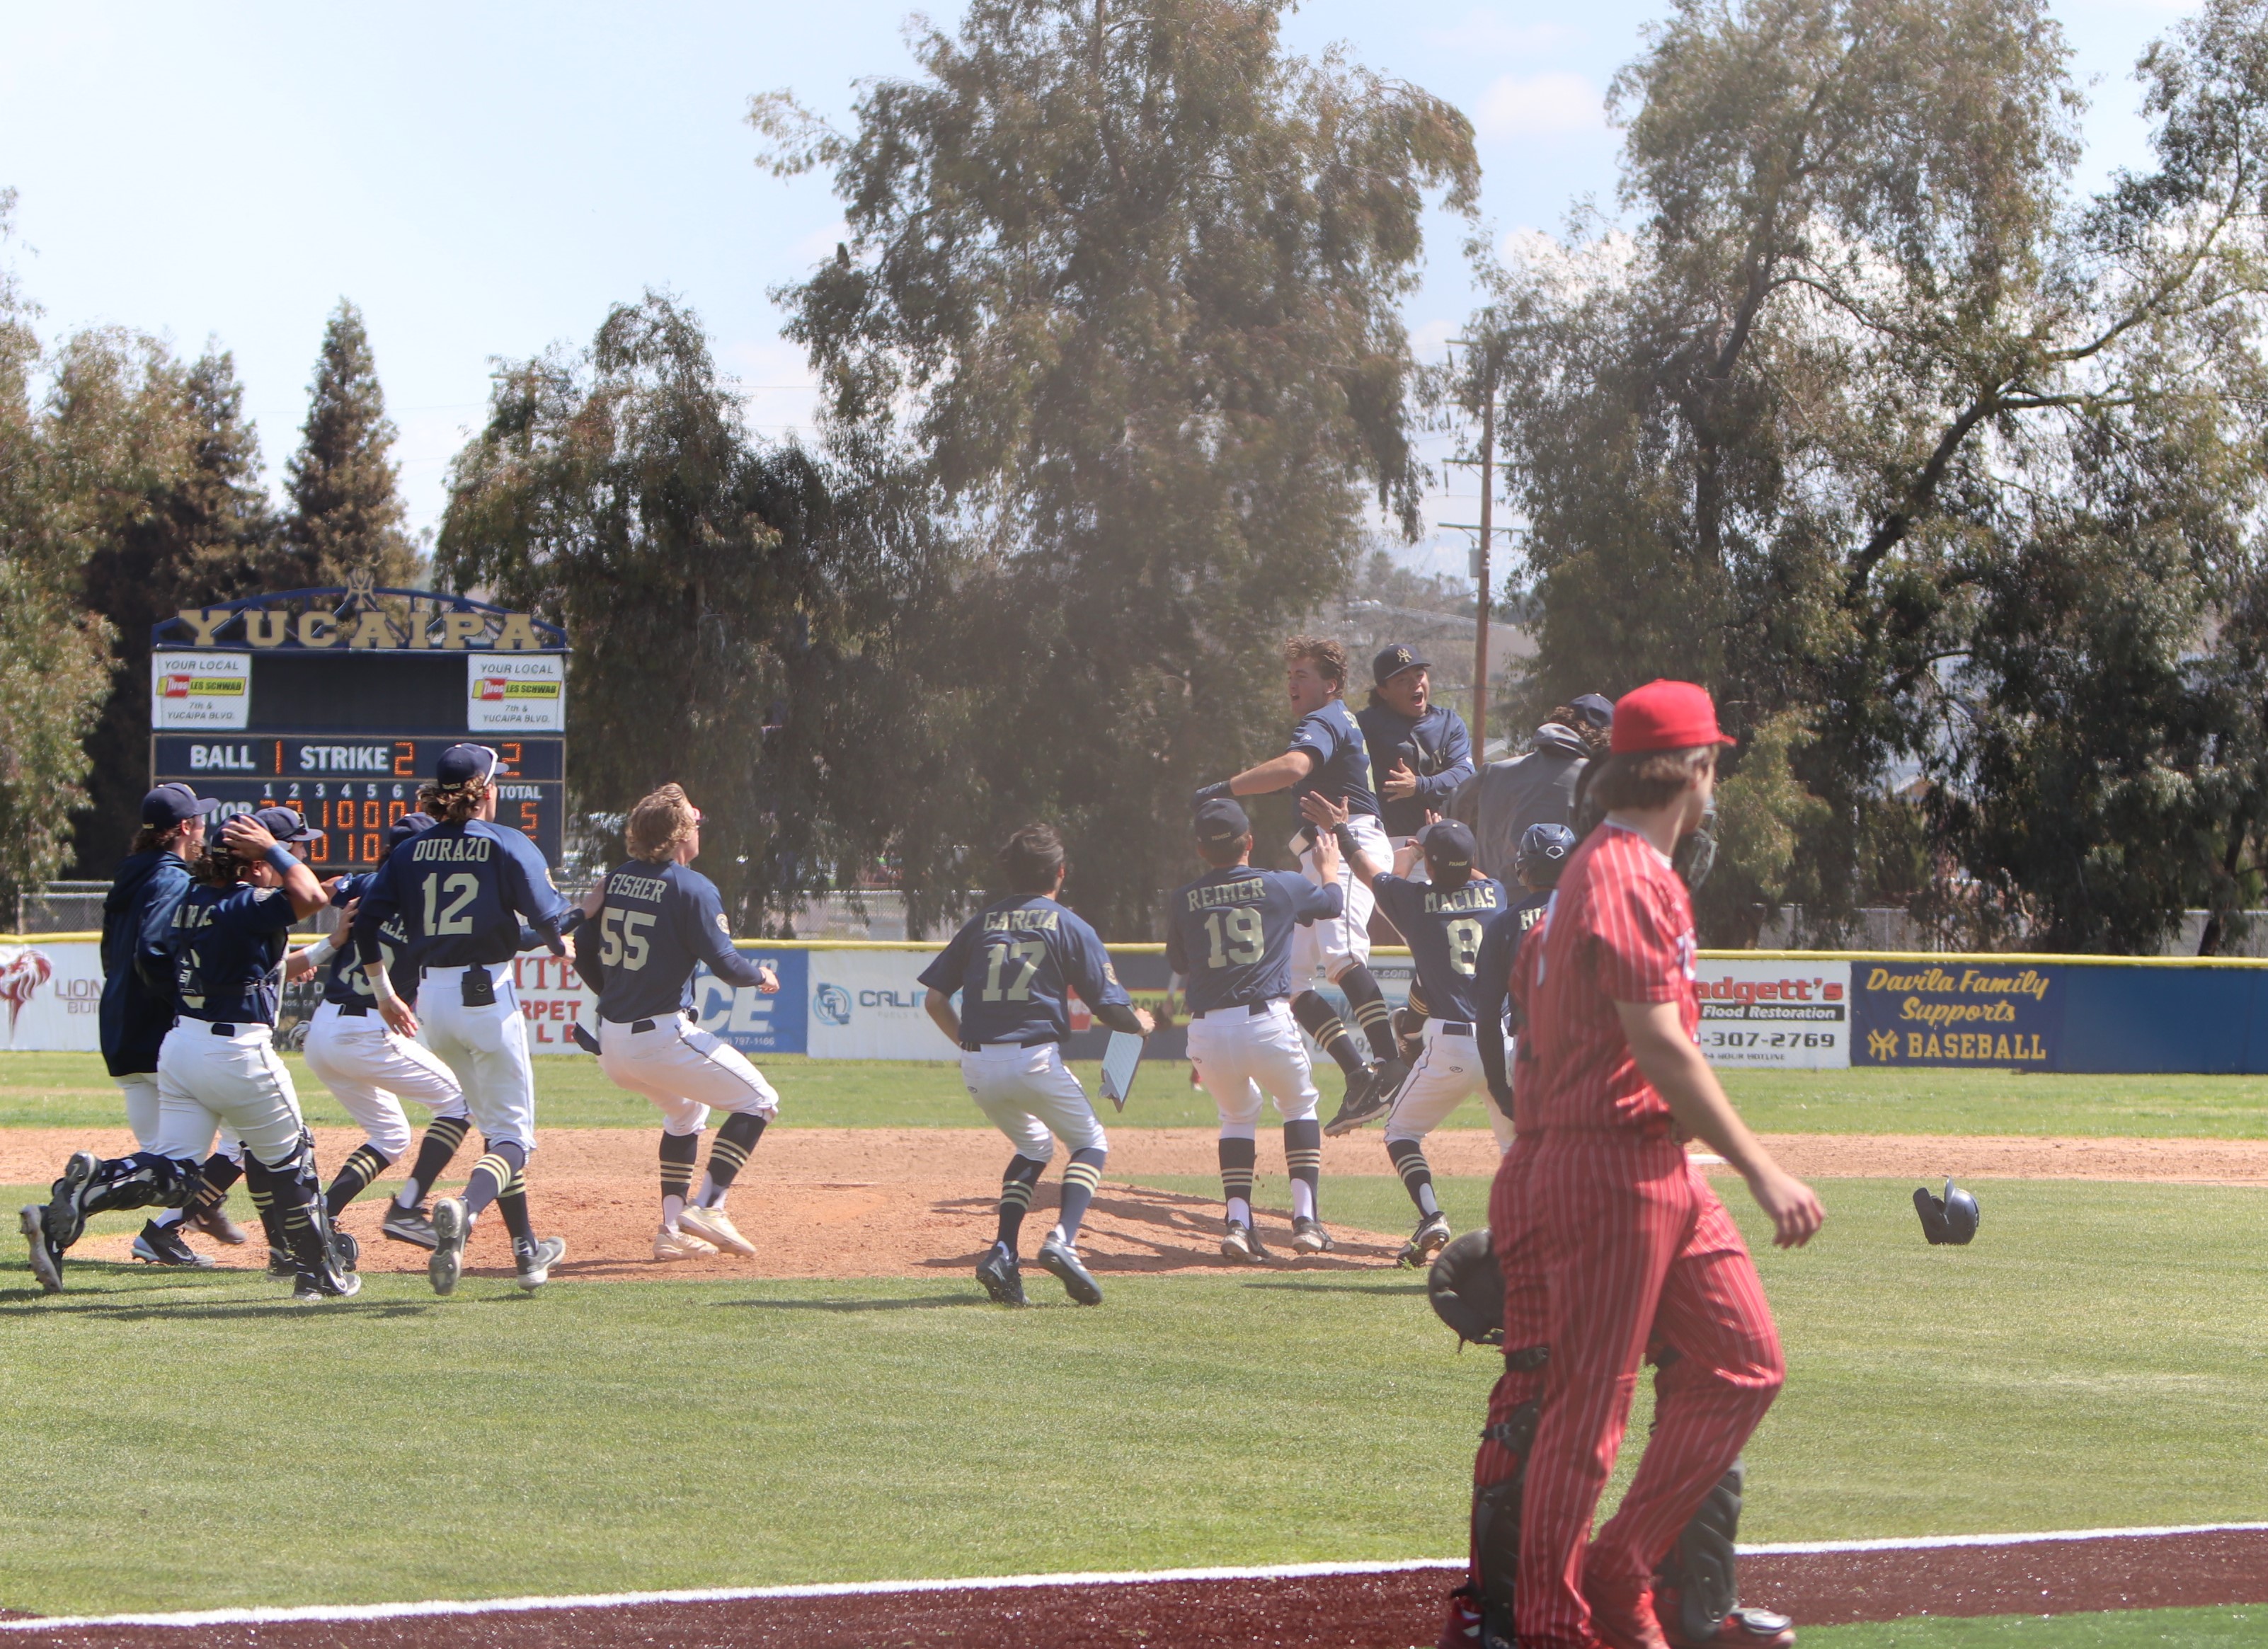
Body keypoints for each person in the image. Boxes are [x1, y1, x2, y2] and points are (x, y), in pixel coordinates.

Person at [1504, 680, 1821, 1649]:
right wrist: (1764, 1168)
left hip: (1643, 1158)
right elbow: (1660, 1043)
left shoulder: (1602, 868)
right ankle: (1555, 1623)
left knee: (1743, 1363)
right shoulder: (1627, 870)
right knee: (1588, 1411)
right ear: (1697, 768)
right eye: (1715, 765)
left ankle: (1620, 1561)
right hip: (1610, 1161)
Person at [21, 808, 358, 1303]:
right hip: (237, 1051)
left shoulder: (192, 897)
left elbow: (156, 956)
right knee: (292, 1160)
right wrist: (270, 848)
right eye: (294, 847)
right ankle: (319, 1273)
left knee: (175, 1168)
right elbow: (305, 895)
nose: (301, 855)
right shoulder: (249, 901)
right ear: (255, 861)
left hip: (182, 1044)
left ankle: (94, 1183)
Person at [355, 743, 573, 1297]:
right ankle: (466, 1210)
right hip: (488, 996)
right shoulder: (506, 842)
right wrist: (560, 944)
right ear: (486, 791)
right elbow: (547, 918)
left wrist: (383, 991)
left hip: (433, 1001)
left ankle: (527, 1252)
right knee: (515, 1139)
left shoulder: (411, 850)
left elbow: (364, 924)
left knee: (495, 1130)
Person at [920, 824, 1154, 1307]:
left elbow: (935, 999)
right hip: (1034, 1058)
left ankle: (1004, 1251)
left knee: (1032, 1145)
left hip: (979, 1066)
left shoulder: (981, 923)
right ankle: (1063, 1241)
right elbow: (1109, 1009)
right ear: (1060, 874)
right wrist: (1141, 1024)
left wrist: (965, 1041)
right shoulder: (1069, 924)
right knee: (1089, 1143)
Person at [1191, 636, 1407, 1131]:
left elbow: (1294, 768)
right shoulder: (1330, 719)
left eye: (1302, 675)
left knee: (1341, 953)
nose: (1292, 682)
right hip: (1322, 852)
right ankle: (1357, 1074)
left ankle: (1390, 1062)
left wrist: (1223, 788)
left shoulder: (1326, 717)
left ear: (1330, 685)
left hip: (1346, 848)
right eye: (1290, 675)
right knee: (1286, 976)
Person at [577, 783, 784, 1262]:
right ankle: (709, 1206)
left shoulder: (615, 879)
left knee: (687, 1115)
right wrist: (762, 975)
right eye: (693, 821)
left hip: (612, 1042)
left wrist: (612, 995)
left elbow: (584, 950)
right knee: (759, 1102)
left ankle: (673, 1231)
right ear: (678, 835)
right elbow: (728, 967)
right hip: (661, 1036)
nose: (698, 828)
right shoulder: (693, 887)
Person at [1300, 800, 1508, 1270]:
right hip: (1505, 1043)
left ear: (1431, 865)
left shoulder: (1416, 905)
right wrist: (1442, 849)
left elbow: (1367, 870)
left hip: (1453, 1043)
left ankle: (1432, 1214)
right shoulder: (1494, 893)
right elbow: (1469, 876)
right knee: (1516, 1146)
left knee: (1401, 1132)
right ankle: (1530, 1230)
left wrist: (1345, 832)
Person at [1164, 798, 1347, 1262]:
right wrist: (1328, 867)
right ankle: (1305, 1221)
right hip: (1266, 1020)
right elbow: (1331, 905)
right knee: (1298, 1105)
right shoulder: (1280, 885)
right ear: (1250, 841)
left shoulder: (1183, 898)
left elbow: (1181, 963)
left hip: (1207, 1030)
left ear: (1202, 850)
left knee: (1238, 1116)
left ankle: (1239, 1225)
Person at [285, 810, 465, 1270]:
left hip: (323, 1031)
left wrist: (319, 945)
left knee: (391, 1133)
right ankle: (408, 1207)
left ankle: (322, 1215)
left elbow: (322, 892)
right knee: (461, 1103)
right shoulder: (429, 900)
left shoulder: (362, 885)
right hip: (365, 1031)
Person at [96, 782, 252, 1266]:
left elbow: (109, 956)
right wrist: (184, 998)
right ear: (184, 828)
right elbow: (154, 951)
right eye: (200, 820)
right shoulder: (171, 879)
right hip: (160, 1032)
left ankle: (59, 1207)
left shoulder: (129, 876)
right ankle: (176, 1223)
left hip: (121, 1030)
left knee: (159, 1159)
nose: (204, 828)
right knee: (249, 1134)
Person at [1450, 698, 1613, 885]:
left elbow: (1449, 818)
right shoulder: (1598, 780)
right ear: (1605, 739)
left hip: (1497, 903)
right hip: (1565, 905)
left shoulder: (1494, 772)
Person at [1358, 644, 1475, 870]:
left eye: (1419, 675)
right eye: (1402, 680)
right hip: (1388, 843)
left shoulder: (1449, 723)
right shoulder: (1366, 725)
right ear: (1383, 691)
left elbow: (1466, 774)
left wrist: (1419, 785)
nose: (1415, 684)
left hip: (1445, 841)